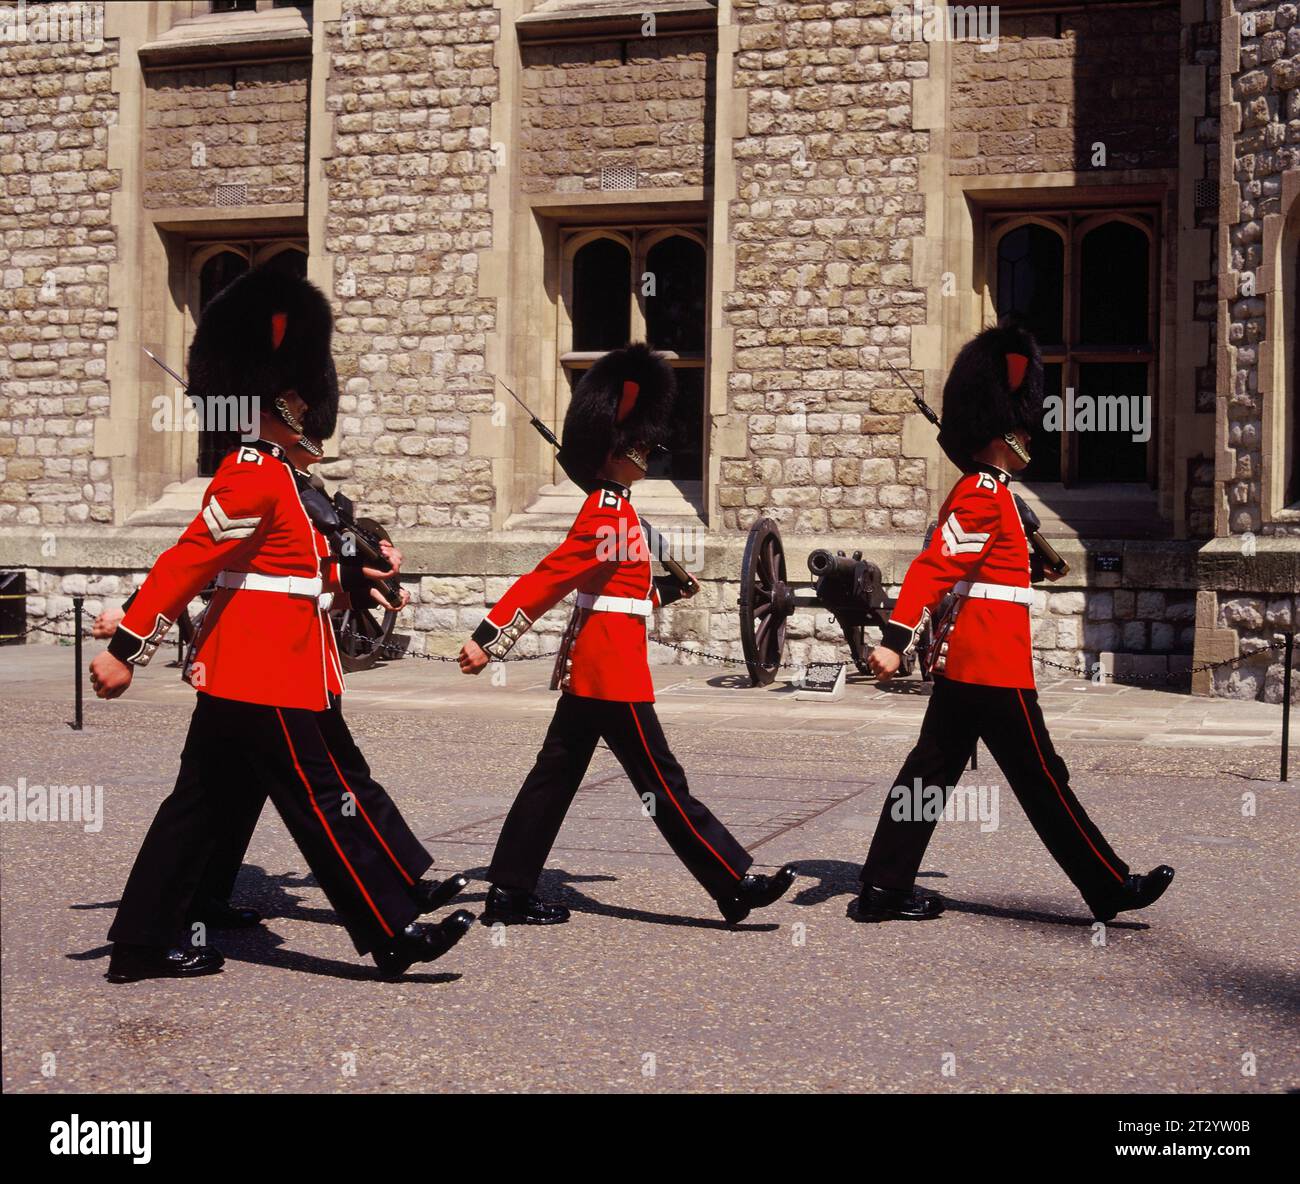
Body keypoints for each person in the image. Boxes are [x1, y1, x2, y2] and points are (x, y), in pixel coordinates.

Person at [90, 264, 473, 981]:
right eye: (295, 389)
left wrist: (361, 574)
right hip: (261, 667)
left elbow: (297, 569)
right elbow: (189, 561)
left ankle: (143, 941)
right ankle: (392, 932)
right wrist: (126, 645)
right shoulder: (250, 472)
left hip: (274, 663)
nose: (306, 399)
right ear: (277, 399)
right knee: (323, 800)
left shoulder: (277, 476)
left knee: (200, 806)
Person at [459, 344, 796, 926]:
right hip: (611, 674)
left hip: (599, 668)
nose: (647, 451)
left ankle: (509, 890)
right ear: (614, 450)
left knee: (554, 779)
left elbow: (619, 593)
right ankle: (733, 882)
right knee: (663, 785)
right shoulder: (606, 513)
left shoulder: (619, 511)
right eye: (637, 441)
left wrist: (667, 592)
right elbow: (551, 578)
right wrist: (490, 638)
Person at [855, 320, 1174, 925]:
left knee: (930, 771)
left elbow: (985, 567)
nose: (1032, 435)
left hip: (975, 665)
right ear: (1003, 431)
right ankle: (1110, 887)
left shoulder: (994, 492)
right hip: (991, 664)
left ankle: (883, 887)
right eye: (1023, 425)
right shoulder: (981, 491)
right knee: (1042, 779)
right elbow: (934, 566)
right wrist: (897, 639)